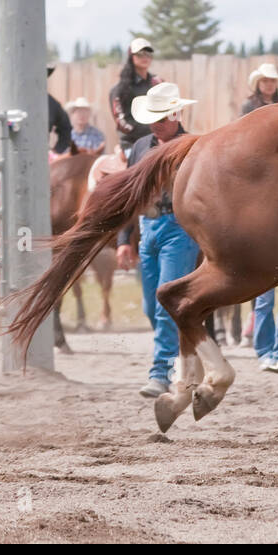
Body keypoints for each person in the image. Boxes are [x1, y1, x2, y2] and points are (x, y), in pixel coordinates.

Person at [114, 83, 199, 397]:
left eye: (162, 115)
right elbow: (128, 196)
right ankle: (187, 355)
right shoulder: (140, 147)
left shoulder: (192, 146)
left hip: (179, 228)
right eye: (153, 116)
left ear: (177, 113)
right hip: (146, 228)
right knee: (152, 306)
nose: (157, 122)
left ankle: (159, 373)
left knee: (164, 302)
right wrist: (124, 239)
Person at [238, 67, 278, 372]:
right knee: (265, 299)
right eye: (265, 80)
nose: (269, 84)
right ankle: (267, 350)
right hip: (270, 233)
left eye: (272, 80)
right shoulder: (249, 110)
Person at [110, 38, 161, 156]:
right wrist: (153, 129)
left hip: (159, 141)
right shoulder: (119, 89)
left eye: (148, 54)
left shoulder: (158, 83)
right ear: (131, 57)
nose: (145, 57)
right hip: (133, 145)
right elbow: (123, 123)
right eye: (140, 54)